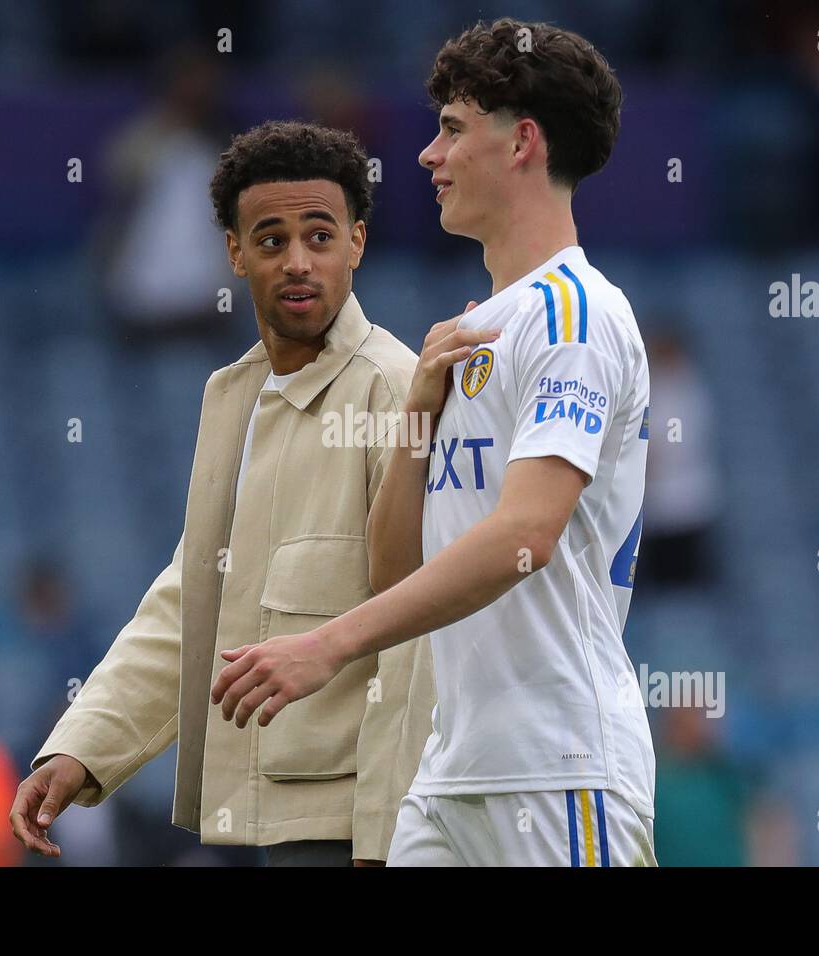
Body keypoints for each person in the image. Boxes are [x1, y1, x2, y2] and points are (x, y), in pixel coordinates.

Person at [213, 19, 657, 867]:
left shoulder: (575, 313)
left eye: (452, 128)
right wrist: (418, 420)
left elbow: (527, 536)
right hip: (450, 772)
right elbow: (394, 576)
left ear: (522, 143)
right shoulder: (470, 336)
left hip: (558, 766)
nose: (427, 155)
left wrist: (326, 644)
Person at [12, 121, 435, 867]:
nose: (298, 261)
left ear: (358, 244)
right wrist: (81, 748)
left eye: (320, 237)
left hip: (365, 833)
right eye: (272, 240)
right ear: (235, 254)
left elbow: (419, 634)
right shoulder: (236, 398)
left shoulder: (397, 393)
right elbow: (193, 603)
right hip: (280, 823)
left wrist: (382, 835)